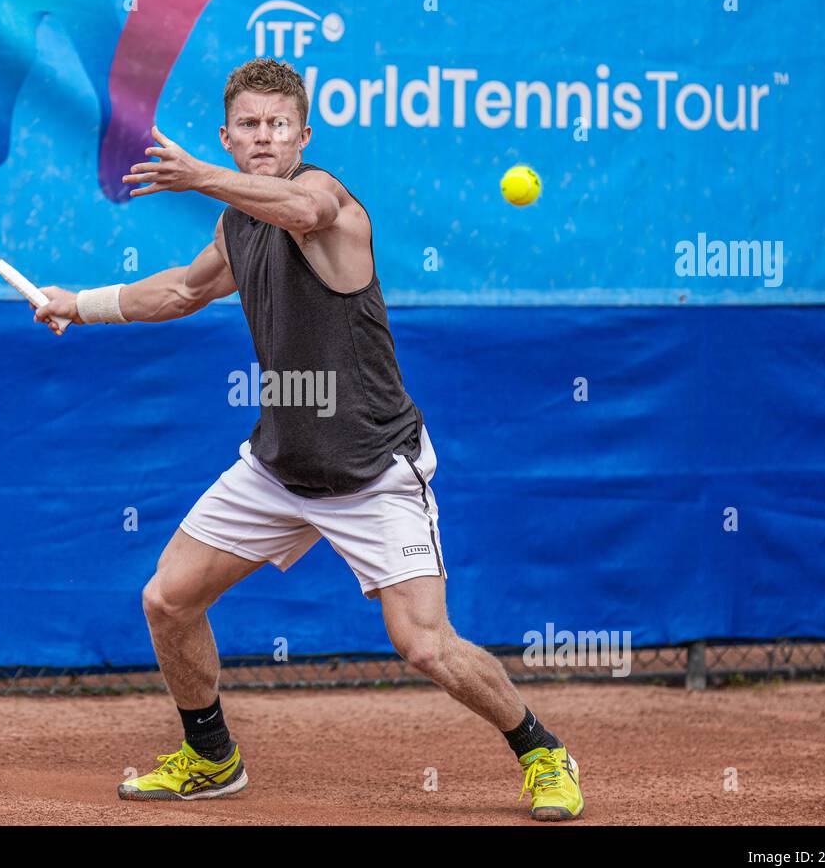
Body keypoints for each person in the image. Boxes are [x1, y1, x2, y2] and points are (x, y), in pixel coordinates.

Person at [33, 57, 584, 821]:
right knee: (168, 599)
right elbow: (185, 289)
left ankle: (542, 751)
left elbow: (301, 212)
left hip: (372, 469)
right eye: (250, 126)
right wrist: (80, 303)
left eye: (278, 125)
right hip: (280, 467)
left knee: (424, 644)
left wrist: (198, 179)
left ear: (303, 134)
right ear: (228, 136)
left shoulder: (325, 198)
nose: (264, 137)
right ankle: (211, 757)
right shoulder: (237, 225)